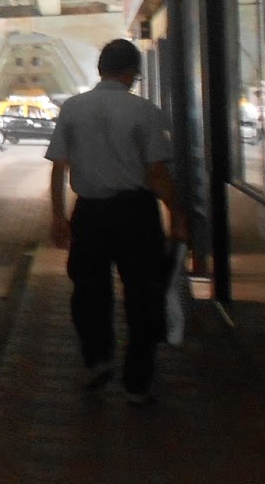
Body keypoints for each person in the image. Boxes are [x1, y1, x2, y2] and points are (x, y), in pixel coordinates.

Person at [46, 39, 182, 404]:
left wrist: (58, 215)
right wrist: (177, 213)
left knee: (89, 291)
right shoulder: (145, 111)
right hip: (136, 213)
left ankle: (98, 359)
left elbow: (58, 166)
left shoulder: (72, 108)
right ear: (132, 73)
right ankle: (137, 383)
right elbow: (156, 173)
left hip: (89, 213)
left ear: (100, 69)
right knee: (142, 295)